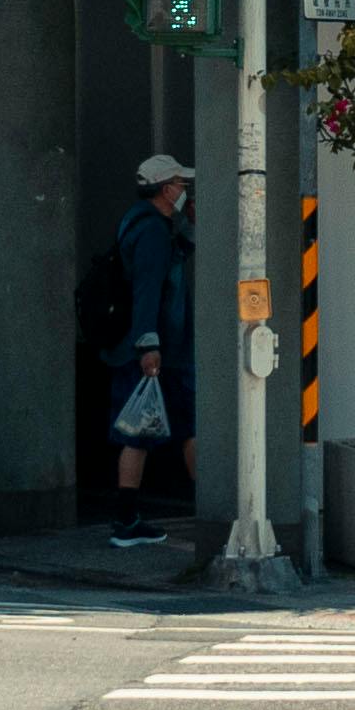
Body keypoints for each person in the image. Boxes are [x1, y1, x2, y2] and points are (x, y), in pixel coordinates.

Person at [104, 153, 199, 531]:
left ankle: (128, 517)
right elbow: (148, 288)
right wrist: (149, 345)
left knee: (145, 429)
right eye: (181, 183)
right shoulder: (153, 233)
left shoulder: (139, 222)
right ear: (166, 189)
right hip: (159, 350)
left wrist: (189, 226)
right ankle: (212, 513)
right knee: (166, 427)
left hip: (151, 346)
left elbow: (173, 261)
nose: (185, 189)